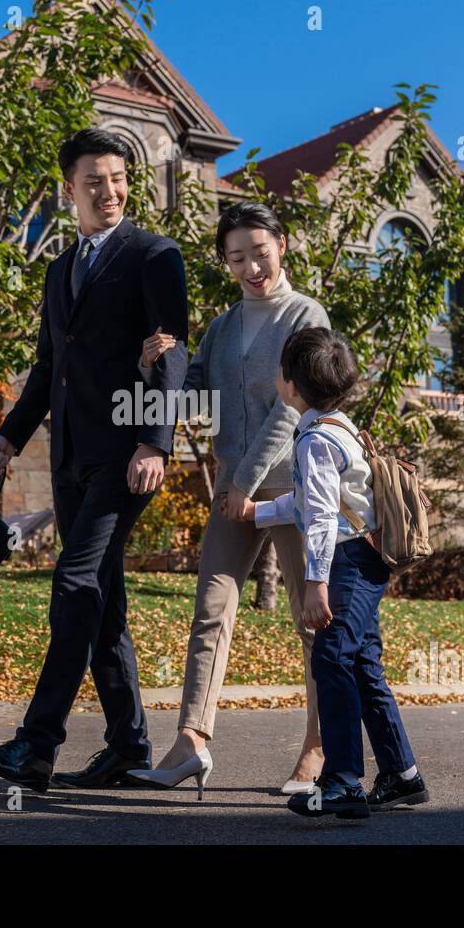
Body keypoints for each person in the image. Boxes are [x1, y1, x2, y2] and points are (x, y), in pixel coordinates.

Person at [0, 128, 188, 793]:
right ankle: (127, 743)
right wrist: (9, 435)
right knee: (104, 603)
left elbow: (171, 351)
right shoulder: (59, 269)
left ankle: (37, 744)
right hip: (70, 459)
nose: (110, 190)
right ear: (70, 190)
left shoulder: (155, 255)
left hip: (125, 454)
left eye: (119, 178)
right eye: (95, 180)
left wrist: (156, 441)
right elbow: (48, 366)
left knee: (75, 582)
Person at [127, 202, 331, 798]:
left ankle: (317, 748)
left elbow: (292, 408)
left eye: (259, 253)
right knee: (211, 609)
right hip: (231, 486)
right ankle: (191, 741)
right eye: (236, 258)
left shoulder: (304, 314)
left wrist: (244, 483)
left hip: (292, 487)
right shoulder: (220, 327)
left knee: (311, 619)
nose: (250, 267)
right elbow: (192, 402)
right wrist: (153, 368)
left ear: (282, 247)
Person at [241, 327, 428, 818]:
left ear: (291, 385)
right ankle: (402, 774)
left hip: (346, 562)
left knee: (330, 659)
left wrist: (315, 585)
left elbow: (323, 520)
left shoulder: (315, 441)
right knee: (362, 664)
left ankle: (343, 781)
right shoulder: (336, 426)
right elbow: (313, 503)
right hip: (363, 559)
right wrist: (255, 514)